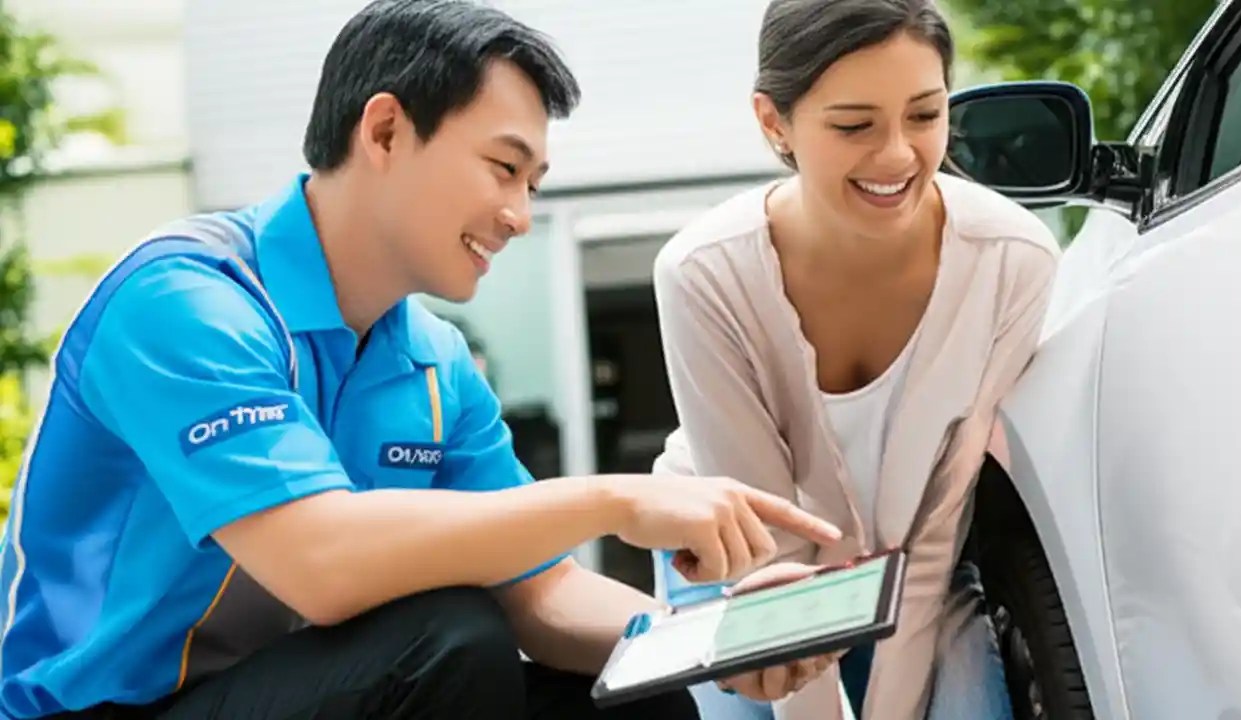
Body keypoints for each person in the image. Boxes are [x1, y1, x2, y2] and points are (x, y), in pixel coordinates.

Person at [0, 2, 849, 718]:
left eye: (534, 185)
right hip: (103, 708)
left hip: (273, 693)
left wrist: (716, 642)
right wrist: (618, 498)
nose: (518, 214)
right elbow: (321, 565)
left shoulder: (435, 364)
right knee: (446, 639)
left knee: (633, 686)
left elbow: (543, 595)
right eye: (503, 168)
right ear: (385, 130)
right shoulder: (186, 301)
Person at [651, 0, 1061, 718]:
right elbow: (772, 551)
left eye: (926, 116)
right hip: (740, 565)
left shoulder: (1013, 262)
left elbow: (936, 531)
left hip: (914, 571)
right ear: (774, 122)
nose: (899, 154)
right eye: (854, 125)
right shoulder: (702, 275)